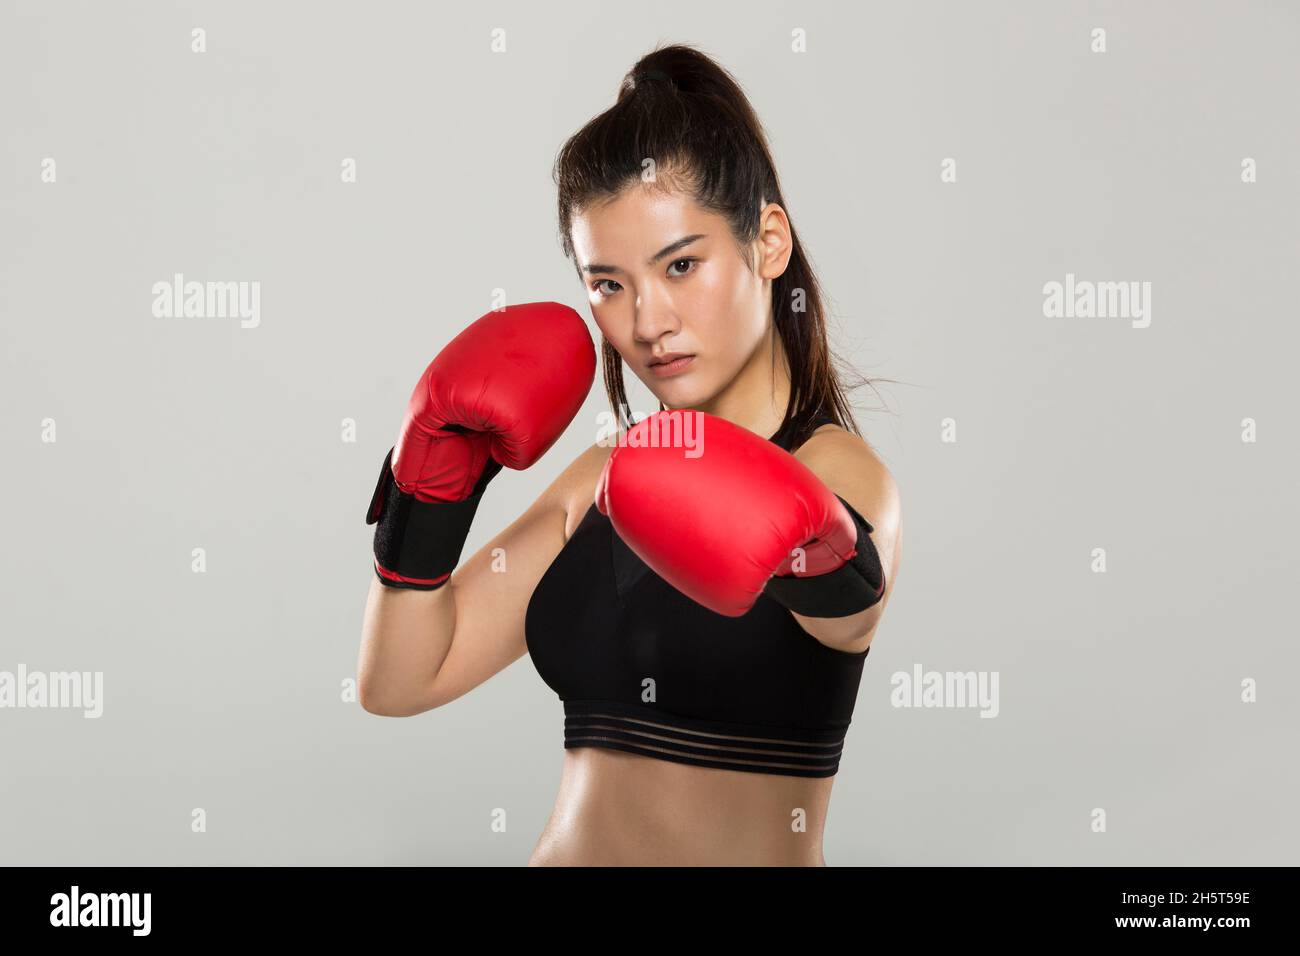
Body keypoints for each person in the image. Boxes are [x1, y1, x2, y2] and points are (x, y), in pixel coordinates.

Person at [357, 43, 902, 866]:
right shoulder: (601, 479)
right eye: (608, 283)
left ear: (768, 242)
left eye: (681, 265)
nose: (648, 322)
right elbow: (401, 681)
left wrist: (800, 541)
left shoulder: (836, 474)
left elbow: (854, 603)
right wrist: (427, 493)